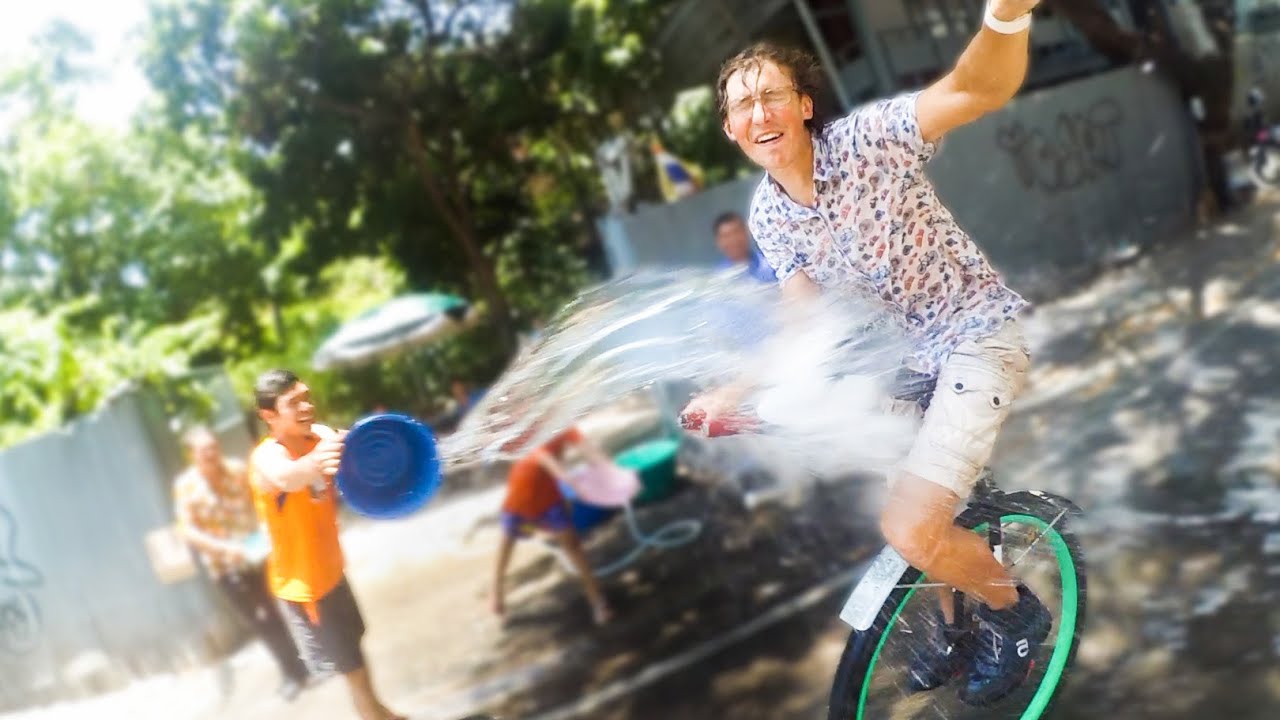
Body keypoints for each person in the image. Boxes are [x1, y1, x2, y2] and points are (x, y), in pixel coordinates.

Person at [692, 0, 1049, 705]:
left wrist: (1005, 17)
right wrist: (737, 393)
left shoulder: (867, 140)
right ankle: (954, 632)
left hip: (976, 335)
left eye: (771, 96)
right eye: (742, 106)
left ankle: (1015, 614)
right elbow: (801, 317)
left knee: (910, 526)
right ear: (732, 130)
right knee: (913, 512)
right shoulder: (767, 213)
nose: (759, 113)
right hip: (909, 361)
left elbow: (974, 89)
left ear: (801, 104)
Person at [248, 369, 405, 720]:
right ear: (268, 416)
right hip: (307, 589)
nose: (307, 407)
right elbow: (287, 478)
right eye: (294, 403)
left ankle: (382, 713)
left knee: (356, 658)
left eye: (306, 397)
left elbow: (359, 451)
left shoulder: (319, 435)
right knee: (354, 672)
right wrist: (320, 459)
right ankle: (379, 716)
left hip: (332, 572)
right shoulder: (266, 457)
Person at [173, 426, 309, 702]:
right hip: (225, 569)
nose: (211, 454)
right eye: (204, 450)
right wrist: (223, 549)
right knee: (259, 621)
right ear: (192, 456)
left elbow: (260, 502)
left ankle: (302, 667)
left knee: (278, 609)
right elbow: (188, 531)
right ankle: (291, 672)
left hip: (257, 556)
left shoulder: (236, 469)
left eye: (214, 447)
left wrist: (269, 530)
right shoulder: (185, 487)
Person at [490, 425, 614, 627]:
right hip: (520, 498)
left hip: (550, 501)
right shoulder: (534, 431)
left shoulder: (565, 427)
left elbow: (587, 449)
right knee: (507, 544)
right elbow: (547, 462)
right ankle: (496, 594)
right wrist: (575, 486)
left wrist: (610, 470)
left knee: (573, 548)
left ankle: (599, 603)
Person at [713, 211, 776, 283]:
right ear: (718, 242)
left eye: (736, 232)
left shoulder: (770, 264)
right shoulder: (719, 277)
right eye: (726, 236)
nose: (733, 240)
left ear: (747, 232)